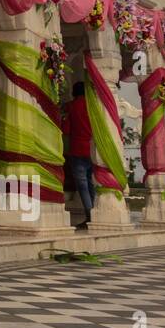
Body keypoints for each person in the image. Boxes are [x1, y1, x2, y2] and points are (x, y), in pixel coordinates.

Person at [65, 81, 94, 229]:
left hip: (77, 149)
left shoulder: (71, 106)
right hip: (91, 149)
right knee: (90, 183)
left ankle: (90, 216)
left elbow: (66, 129)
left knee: (82, 186)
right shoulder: (92, 106)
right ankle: (94, 213)